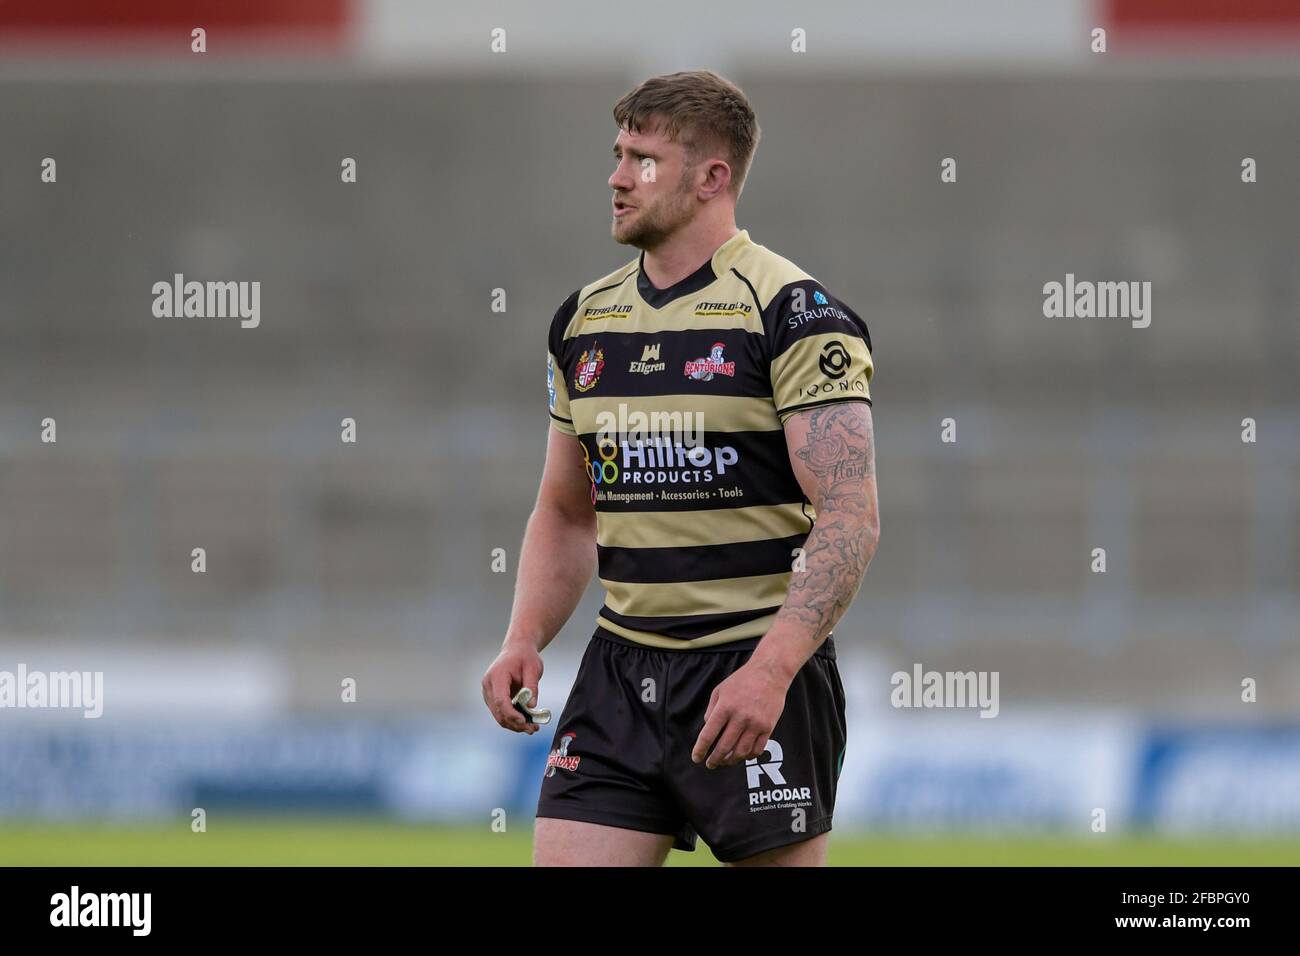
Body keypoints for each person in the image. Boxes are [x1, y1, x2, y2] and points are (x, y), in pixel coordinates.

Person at [481, 70, 879, 866]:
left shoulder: (794, 315)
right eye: (618, 154)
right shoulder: (584, 320)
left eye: (643, 159)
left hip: (753, 668)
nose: (618, 178)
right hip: (619, 675)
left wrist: (769, 676)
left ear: (712, 178)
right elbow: (566, 510)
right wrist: (524, 635)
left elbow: (850, 517)